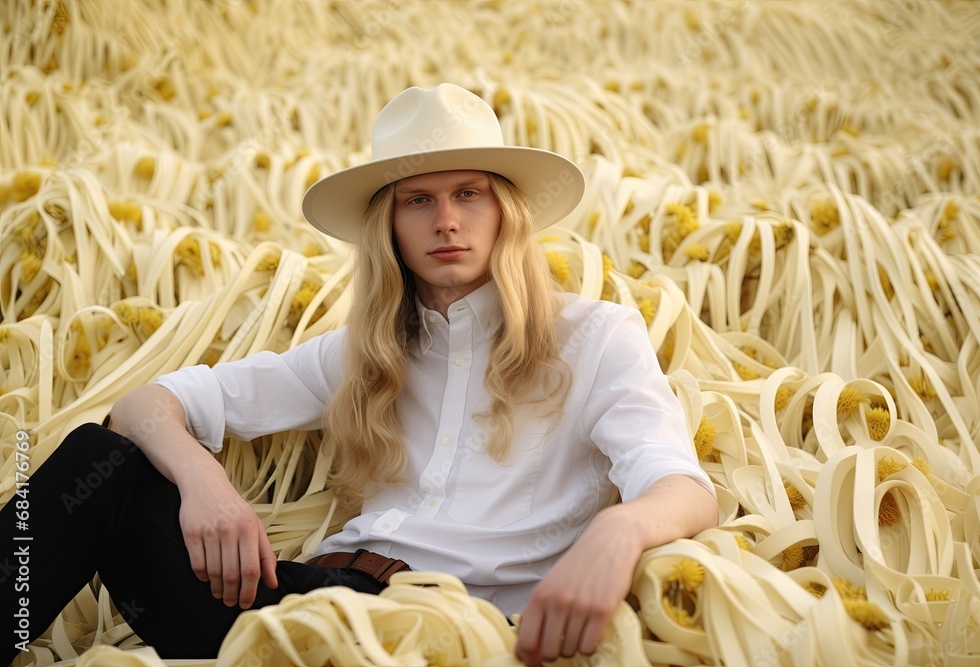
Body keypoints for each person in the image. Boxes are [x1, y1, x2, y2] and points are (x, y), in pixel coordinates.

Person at [1, 84, 717, 666]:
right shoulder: (362, 352)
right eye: (419, 200)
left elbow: (680, 483)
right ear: (390, 227)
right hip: (300, 600)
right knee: (104, 460)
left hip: (438, 636)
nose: (447, 221)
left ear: (506, 212)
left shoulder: (596, 338)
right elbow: (141, 405)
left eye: (469, 193)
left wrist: (620, 530)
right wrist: (204, 481)